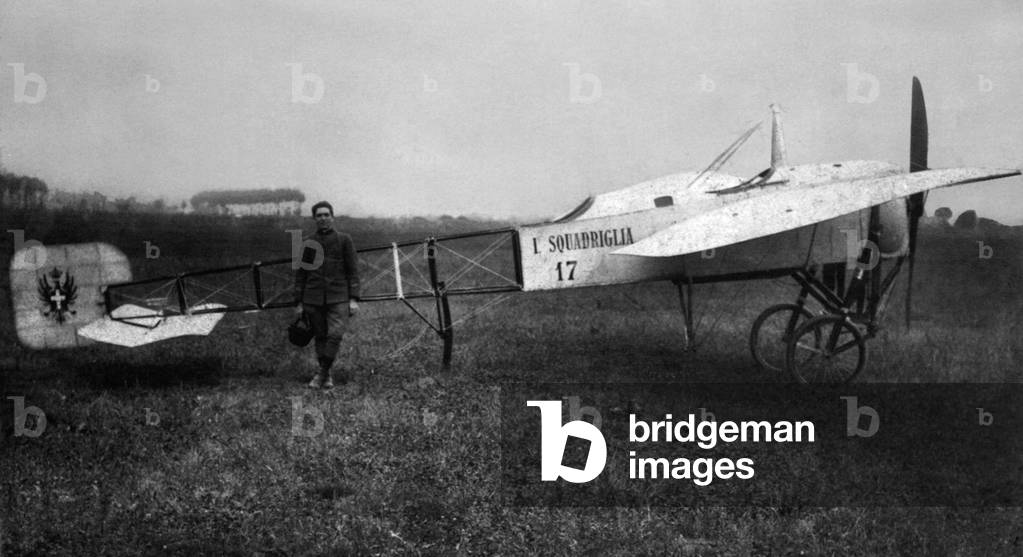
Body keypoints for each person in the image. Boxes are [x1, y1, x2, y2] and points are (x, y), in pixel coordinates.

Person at [293, 201, 360, 389]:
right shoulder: (307, 242)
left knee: (336, 334)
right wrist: (298, 302)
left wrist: (353, 299)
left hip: (339, 296)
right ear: (314, 218)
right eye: (319, 215)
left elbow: (353, 270)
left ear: (332, 217)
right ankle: (327, 375)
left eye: (326, 214)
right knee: (320, 336)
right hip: (313, 298)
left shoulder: (345, 240)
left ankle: (321, 374)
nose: (323, 218)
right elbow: (301, 274)